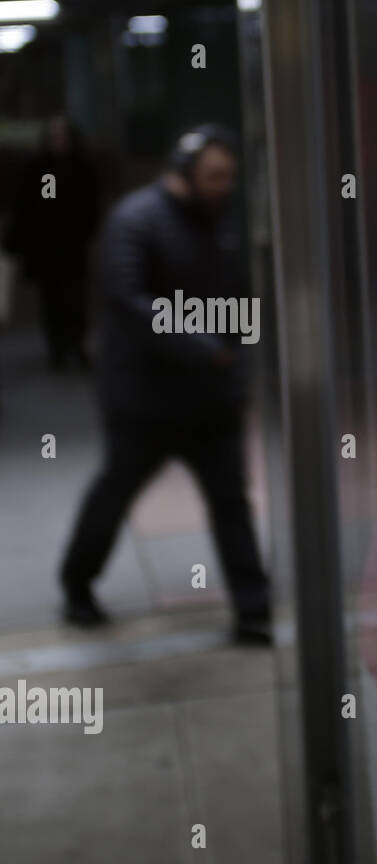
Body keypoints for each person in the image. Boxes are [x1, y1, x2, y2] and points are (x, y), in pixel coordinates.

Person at [58, 124, 271, 645]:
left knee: (230, 503)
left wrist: (235, 353)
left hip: (211, 398)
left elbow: (238, 295)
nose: (225, 185)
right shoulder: (135, 220)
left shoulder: (219, 220)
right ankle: (77, 586)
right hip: (144, 402)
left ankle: (252, 610)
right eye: (214, 175)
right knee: (115, 492)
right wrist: (207, 346)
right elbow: (129, 301)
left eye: (229, 176)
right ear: (184, 173)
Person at [4, 115, 101, 369]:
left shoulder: (81, 166)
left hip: (72, 244)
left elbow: (91, 205)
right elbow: (25, 205)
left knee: (75, 298)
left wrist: (88, 234)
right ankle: (57, 348)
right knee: (51, 299)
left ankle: (76, 344)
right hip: (46, 245)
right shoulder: (37, 167)